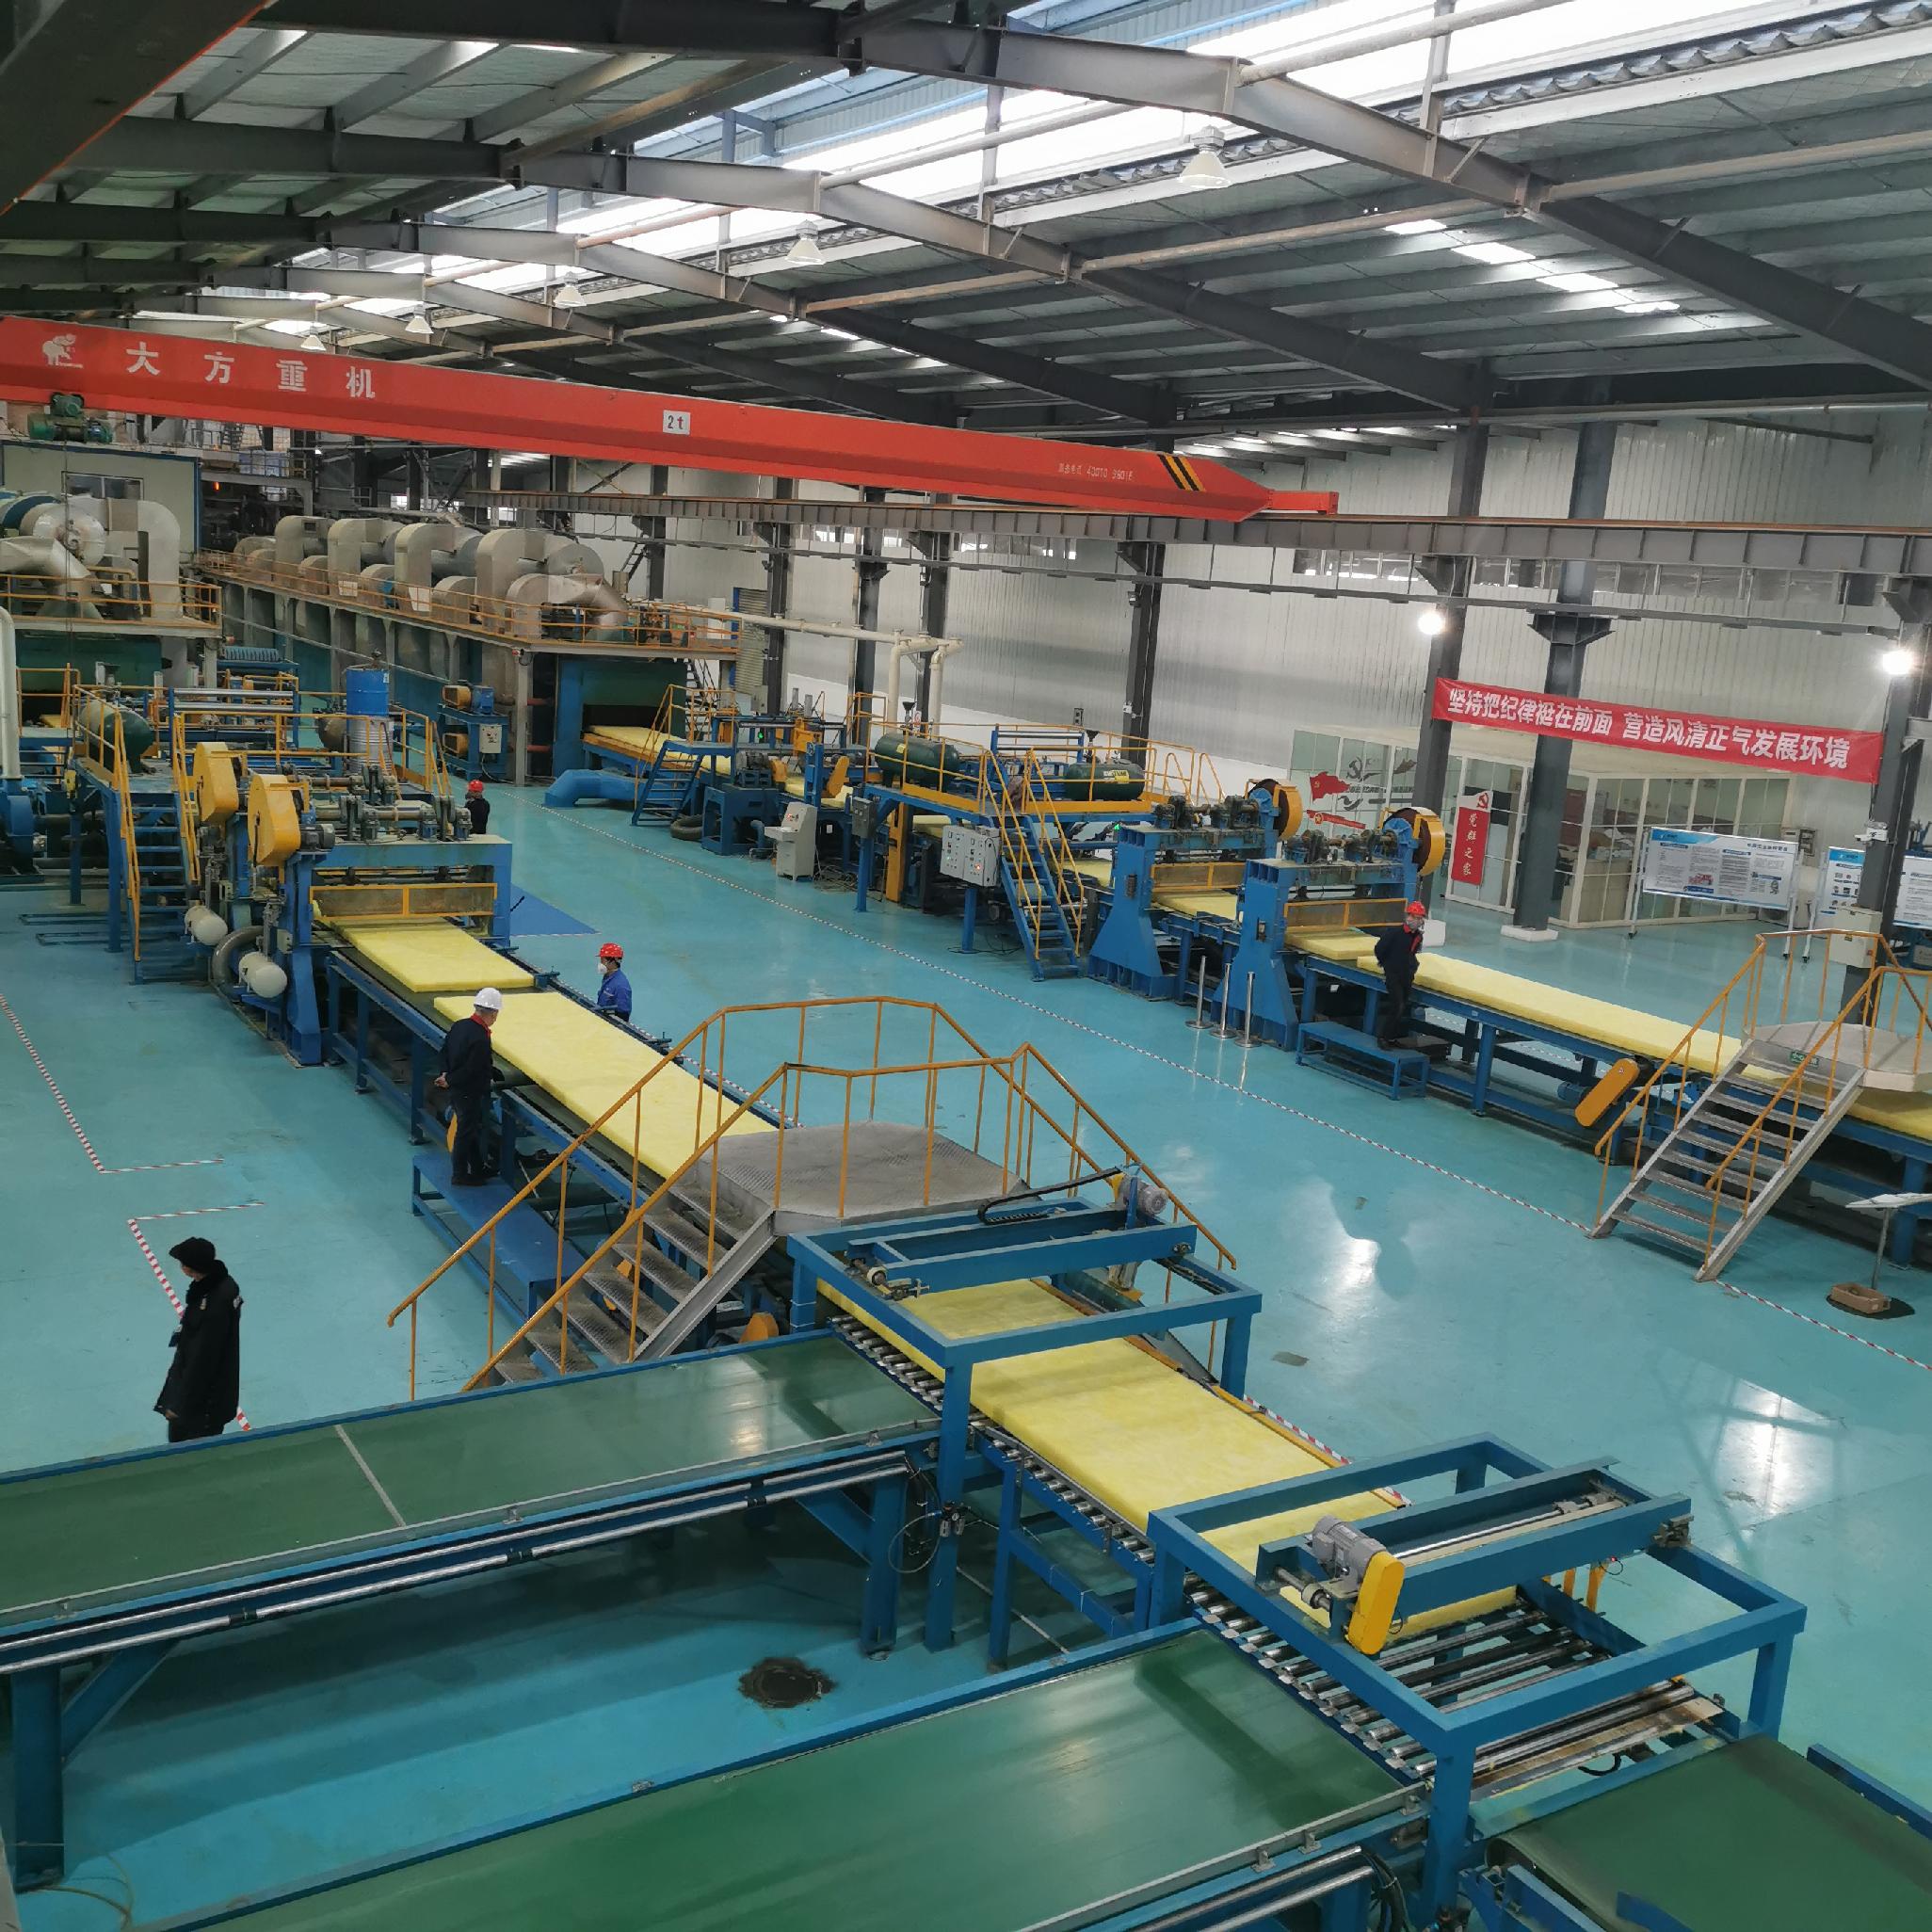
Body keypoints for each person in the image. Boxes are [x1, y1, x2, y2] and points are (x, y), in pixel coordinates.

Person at [155, 1238, 242, 1443]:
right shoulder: (222, 1285)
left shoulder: (212, 1308)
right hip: (214, 1395)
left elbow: (200, 1363)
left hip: (202, 1406)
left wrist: (178, 1406)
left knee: (185, 1447)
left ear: (189, 1268)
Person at [436, 986, 503, 1185]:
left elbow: (444, 1052)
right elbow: (472, 1069)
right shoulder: (480, 1037)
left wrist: (445, 1074)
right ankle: (459, 1174)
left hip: (457, 1088)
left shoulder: (460, 1025)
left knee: (470, 1127)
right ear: (492, 1013)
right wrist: (450, 1079)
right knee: (465, 1132)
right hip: (467, 1091)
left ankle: (478, 1167)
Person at [1373, 900, 1427, 1048]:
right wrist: (1385, 963)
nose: (1415, 920)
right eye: (1413, 917)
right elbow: (1379, 949)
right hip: (1393, 974)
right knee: (1397, 1005)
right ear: (1408, 917)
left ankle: (1391, 1037)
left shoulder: (1418, 936)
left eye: (1418, 918)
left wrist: (1412, 967)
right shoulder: (1394, 933)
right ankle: (1383, 1037)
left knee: (1403, 1006)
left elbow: (1412, 953)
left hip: (1407, 975)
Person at [596, 941, 633, 1022]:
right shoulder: (608, 976)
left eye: (603, 960)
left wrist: (605, 1012)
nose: (601, 963)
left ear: (613, 961)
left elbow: (623, 1014)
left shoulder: (621, 986)